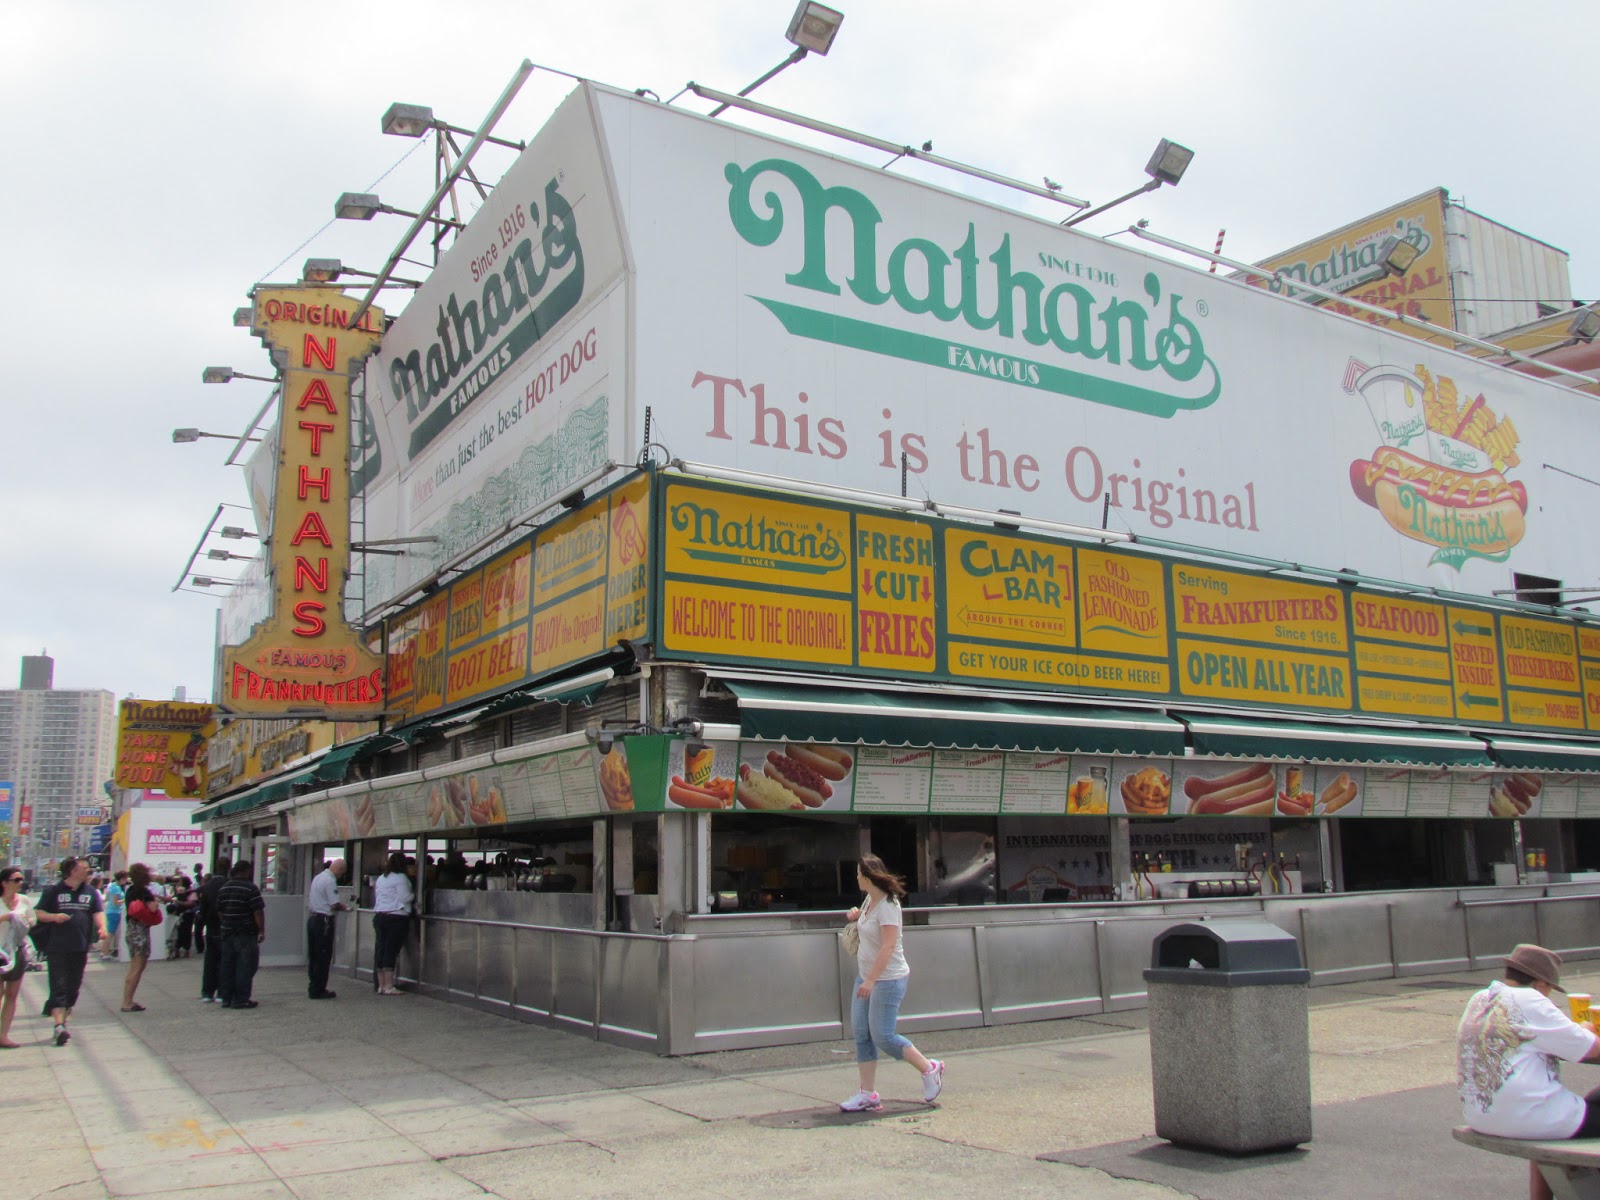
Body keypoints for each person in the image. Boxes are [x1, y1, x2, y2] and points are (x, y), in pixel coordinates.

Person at [1458, 943, 1600, 1200]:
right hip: (1528, 1116)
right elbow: (1592, 1049)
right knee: (1555, 1116)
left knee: (1590, 1101)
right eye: (1550, 991)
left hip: (1482, 1114)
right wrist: (1588, 1030)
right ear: (1540, 984)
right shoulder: (1531, 1000)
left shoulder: (1480, 998)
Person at [839, 854, 945, 1112]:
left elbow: (888, 946)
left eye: (857, 873)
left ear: (867, 876)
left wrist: (872, 981)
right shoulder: (868, 901)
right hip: (866, 976)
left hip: (887, 979)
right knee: (863, 1034)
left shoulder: (888, 905)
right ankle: (868, 1094)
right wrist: (855, 916)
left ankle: (929, 1068)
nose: (855, 878)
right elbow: (869, 930)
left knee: (883, 1035)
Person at [34, 857, 110, 1046]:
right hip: (57, 947)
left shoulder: (91, 892)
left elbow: (97, 912)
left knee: (73, 988)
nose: (88, 871)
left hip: (80, 947)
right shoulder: (53, 891)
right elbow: (38, 913)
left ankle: (63, 1023)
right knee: (58, 986)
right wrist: (54, 917)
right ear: (72, 871)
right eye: (84, 868)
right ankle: (59, 1025)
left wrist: (102, 927)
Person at [215, 861, 265, 1009]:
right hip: (245, 932)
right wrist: (261, 930)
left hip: (227, 932)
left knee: (228, 965)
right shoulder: (250, 888)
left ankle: (226, 997)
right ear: (246, 871)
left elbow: (219, 910)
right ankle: (241, 998)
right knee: (246, 965)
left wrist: (226, 922)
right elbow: (258, 911)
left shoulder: (224, 888)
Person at [0, 866, 35, 1048]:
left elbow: (32, 920)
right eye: (16, 880)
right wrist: (7, 917)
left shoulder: (24, 900)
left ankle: (3, 1035)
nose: (20, 883)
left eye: (22, 879)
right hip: (0, 951)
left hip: (16, 950)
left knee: (12, 995)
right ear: (4, 883)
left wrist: (26, 921)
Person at [372, 852, 413, 995]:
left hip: (380, 916)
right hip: (396, 916)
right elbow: (405, 897)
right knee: (391, 950)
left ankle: (381, 985)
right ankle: (389, 985)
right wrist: (414, 895)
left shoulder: (382, 878)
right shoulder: (401, 878)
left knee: (381, 950)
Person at [306, 858, 347, 1000]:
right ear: (340, 870)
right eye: (342, 873)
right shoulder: (330, 881)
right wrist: (346, 907)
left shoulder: (318, 877)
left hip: (313, 919)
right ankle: (318, 989)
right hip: (324, 921)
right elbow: (334, 904)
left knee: (314, 955)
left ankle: (313, 985)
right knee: (323, 955)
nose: (341, 877)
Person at [119, 863, 158, 1013]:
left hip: (131, 929)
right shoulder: (144, 891)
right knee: (137, 966)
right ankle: (127, 1001)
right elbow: (152, 908)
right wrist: (155, 902)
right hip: (140, 930)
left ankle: (128, 1000)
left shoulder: (130, 890)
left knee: (136, 965)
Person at [196, 856, 229, 1002]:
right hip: (225, 926)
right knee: (225, 960)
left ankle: (207, 992)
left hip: (211, 926)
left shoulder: (207, 886)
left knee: (210, 960)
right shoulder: (229, 884)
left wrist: (201, 925)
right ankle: (222, 992)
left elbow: (202, 909)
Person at [103, 870, 127, 962]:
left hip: (111, 911)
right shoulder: (116, 888)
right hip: (115, 912)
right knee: (110, 933)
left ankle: (104, 952)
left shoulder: (112, 886)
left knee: (110, 933)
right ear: (121, 878)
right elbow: (116, 902)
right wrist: (125, 899)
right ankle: (106, 953)